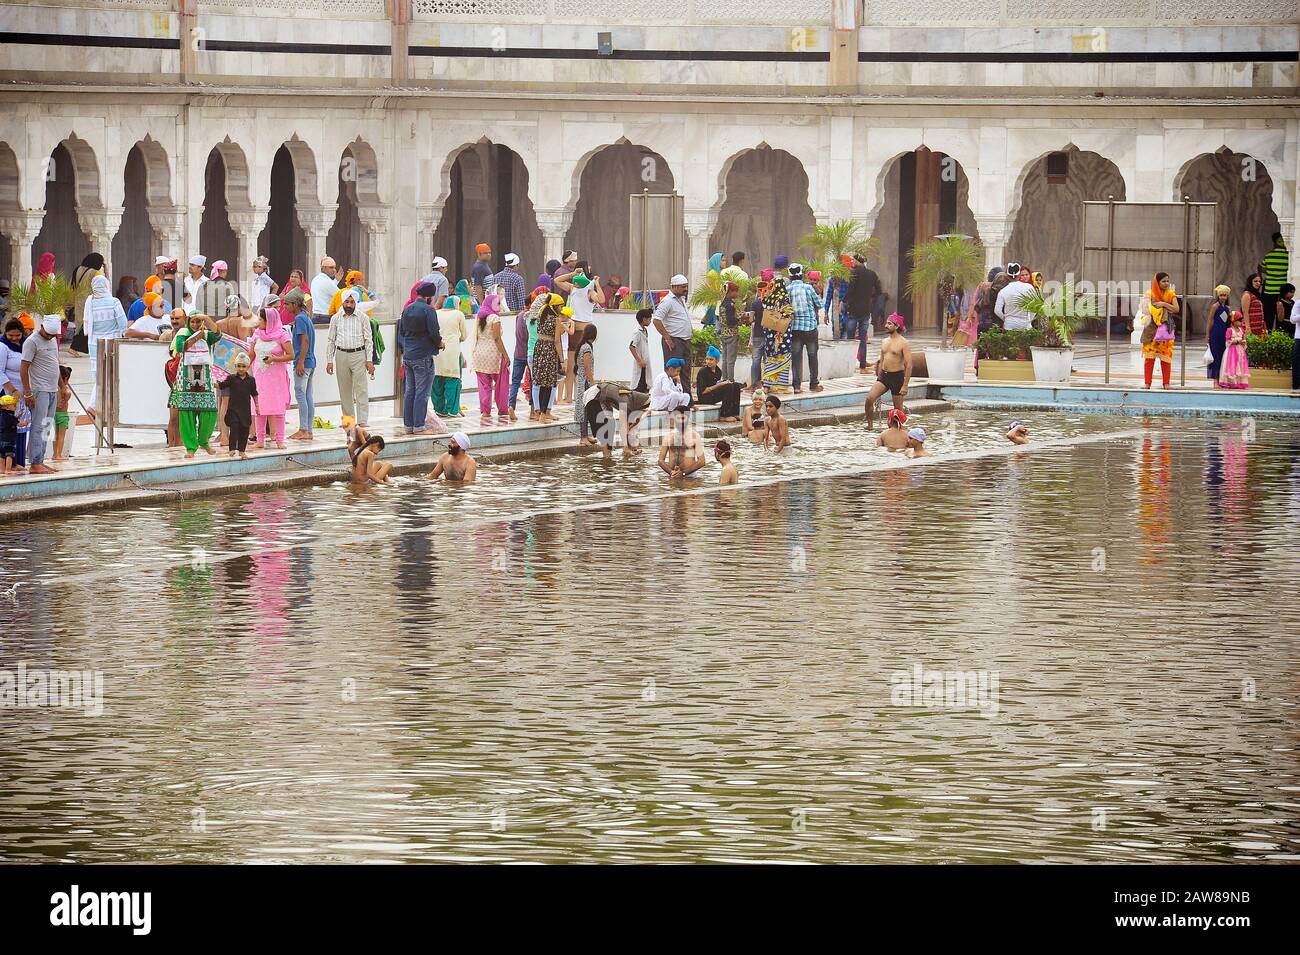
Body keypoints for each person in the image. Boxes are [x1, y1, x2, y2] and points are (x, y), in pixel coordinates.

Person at [169, 313, 220, 457]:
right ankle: (190, 447)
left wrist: (207, 318)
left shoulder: (207, 334)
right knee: (187, 413)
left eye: (199, 322)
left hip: (205, 378)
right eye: (193, 322)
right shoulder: (183, 333)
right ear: (188, 322)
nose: (195, 325)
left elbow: (218, 334)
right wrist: (197, 336)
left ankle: (204, 442)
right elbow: (180, 347)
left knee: (208, 412)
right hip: (186, 379)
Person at [399, 281, 444, 435]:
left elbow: (403, 331)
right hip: (423, 356)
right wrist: (440, 343)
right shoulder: (429, 310)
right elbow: (434, 332)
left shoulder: (407, 309)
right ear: (429, 297)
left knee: (410, 391)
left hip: (408, 356)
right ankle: (419, 426)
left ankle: (408, 426)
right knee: (422, 392)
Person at [19, 314, 61, 473]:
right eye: (48, 333)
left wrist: (62, 387)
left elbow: (56, 365)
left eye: (52, 334)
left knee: (47, 426)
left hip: (52, 390)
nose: (49, 336)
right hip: (39, 390)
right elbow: (24, 367)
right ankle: (35, 463)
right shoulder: (32, 342)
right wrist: (28, 393)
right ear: (42, 326)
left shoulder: (51, 340)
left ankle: (40, 461)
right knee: (38, 426)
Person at [326, 289, 374, 426]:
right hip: (341, 355)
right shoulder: (335, 318)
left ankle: (363, 421)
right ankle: (348, 421)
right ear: (342, 302)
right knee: (344, 389)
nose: (349, 305)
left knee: (361, 389)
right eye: (347, 302)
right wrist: (329, 360)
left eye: (352, 302)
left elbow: (368, 340)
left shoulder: (363, 317)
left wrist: (369, 360)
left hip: (359, 355)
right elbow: (331, 340)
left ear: (356, 303)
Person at [250, 306, 294, 449]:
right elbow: (251, 355)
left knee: (278, 408)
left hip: (276, 378)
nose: (259, 321)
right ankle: (260, 440)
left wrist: (274, 359)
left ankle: (279, 440)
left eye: (261, 319)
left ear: (269, 320)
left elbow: (291, 355)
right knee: (259, 408)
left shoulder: (282, 335)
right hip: (259, 377)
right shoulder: (256, 334)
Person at [83, 274, 128, 413]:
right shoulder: (114, 302)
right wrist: (124, 336)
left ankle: (101, 405)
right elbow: (122, 323)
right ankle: (95, 405)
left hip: (94, 343)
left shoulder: (90, 302)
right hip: (111, 343)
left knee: (99, 375)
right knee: (111, 374)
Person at [278, 289, 316, 441]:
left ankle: (303, 429)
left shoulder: (300, 318)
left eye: (287, 304)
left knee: (301, 395)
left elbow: (304, 341)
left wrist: (299, 362)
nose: (285, 307)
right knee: (307, 396)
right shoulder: (306, 317)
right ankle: (309, 430)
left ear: (295, 304)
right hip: (310, 361)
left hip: (304, 362)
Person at [863, 313, 911, 427]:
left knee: (898, 410)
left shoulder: (904, 343)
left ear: (897, 326)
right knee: (869, 399)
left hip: (897, 377)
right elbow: (882, 360)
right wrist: (878, 375)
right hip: (884, 376)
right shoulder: (884, 341)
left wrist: (905, 385)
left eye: (889, 323)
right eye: (887, 323)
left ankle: (899, 431)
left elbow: (909, 365)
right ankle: (870, 425)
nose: (886, 325)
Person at [785, 262, 825, 393]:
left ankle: (796, 386)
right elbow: (819, 304)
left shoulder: (788, 290)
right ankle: (814, 384)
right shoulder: (808, 289)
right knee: (812, 356)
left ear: (790, 277)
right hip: (810, 328)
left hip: (795, 329)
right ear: (802, 275)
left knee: (796, 357)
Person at [472, 291, 511, 423]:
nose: (499, 306)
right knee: (501, 382)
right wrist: (506, 355)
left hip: (479, 353)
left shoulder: (480, 317)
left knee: (484, 385)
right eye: (498, 304)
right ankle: (502, 409)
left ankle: (485, 411)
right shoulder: (495, 318)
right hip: (493, 354)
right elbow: (497, 338)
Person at [652, 274, 693, 397]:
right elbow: (656, 320)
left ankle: (686, 399)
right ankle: (671, 398)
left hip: (684, 341)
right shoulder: (667, 301)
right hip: (674, 341)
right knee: (673, 371)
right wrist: (667, 338)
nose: (685, 289)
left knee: (685, 371)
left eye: (686, 286)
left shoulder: (681, 299)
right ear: (674, 286)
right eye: (682, 287)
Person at [530, 294, 567, 422]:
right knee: (548, 384)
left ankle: (542, 413)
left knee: (541, 383)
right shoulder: (555, 320)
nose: (562, 308)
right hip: (550, 351)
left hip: (539, 349)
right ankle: (543, 415)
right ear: (555, 306)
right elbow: (557, 341)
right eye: (560, 306)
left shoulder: (541, 315)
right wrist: (562, 361)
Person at [759, 261, 794, 393]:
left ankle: (767, 386)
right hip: (782, 335)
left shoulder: (768, 298)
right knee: (783, 358)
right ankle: (781, 387)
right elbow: (789, 314)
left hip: (769, 335)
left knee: (769, 359)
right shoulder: (784, 298)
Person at [1141, 272, 1179, 389]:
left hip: (1165, 330)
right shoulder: (1150, 293)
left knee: (1166, 358)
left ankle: (1166, 384)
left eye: (1168, 281)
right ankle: (1147, 383)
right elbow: (1145, 308)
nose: (1166, 283)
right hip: (1151, 329)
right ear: (1157, 283)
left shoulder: (1170, 294)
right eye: (1163, 281)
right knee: (1149, 358)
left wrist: (1162, 304)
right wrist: (1163, 308)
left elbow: (1176, 309)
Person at [218, 352, 259, 458]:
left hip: (245, 410)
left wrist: (257, 406)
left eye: (243, 366)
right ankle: (232, 449)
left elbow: (254, 394)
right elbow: (222, 385)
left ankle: (242, 450)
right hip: (233, 410)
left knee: (244, 430)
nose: (241, 369)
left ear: (248, 367)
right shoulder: (231, 378)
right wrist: (212, 383)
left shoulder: (251, 380)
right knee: (234, 427)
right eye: (239, 366)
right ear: (235, 366)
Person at [432, 292, 467, 418]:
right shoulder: (458, 314)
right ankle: (453, 410)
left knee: (437, 379)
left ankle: (439, 409)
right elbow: (464, 335)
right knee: (453, 380)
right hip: (452, 351)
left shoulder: (436, 313)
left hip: (437, 350)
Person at [694, 345, 743, 421]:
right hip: (704, 397)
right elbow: (704, 391)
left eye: (711, 360)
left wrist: (723, 384)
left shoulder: (718, 371)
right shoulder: (703, 372)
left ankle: (735, 413)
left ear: (717, 361)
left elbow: (717, 386)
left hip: (713, 395)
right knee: (728, 387)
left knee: (735, 385)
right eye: (707, 359)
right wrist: (721, 385)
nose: (708, 362)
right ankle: (724, 415)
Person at [70, 253, 105, 350]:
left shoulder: (77, 269)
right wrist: (105, 270)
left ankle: (76, 347)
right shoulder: (95, 272)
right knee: (88, 324)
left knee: (79, 324)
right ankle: (76, 347)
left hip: (78, 301)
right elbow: (101, 286)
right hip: (90, 301)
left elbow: (72, 285)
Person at [658, 410, 706, 478]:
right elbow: (660, 460)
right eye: (678, 418)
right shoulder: (668, 436)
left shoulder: (695, 436)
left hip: (689, 476)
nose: (681, 421)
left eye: (683, 418)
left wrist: (683, 473)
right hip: (671, 475)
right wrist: (671, 472)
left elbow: (702, 461)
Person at [573, 322, 598, 444]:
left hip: (582, 380)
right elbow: (587, 367)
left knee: (587, 409)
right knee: (584, 409)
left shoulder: (583, 345)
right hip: (585, 383)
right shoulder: (587, 348)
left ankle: (585, 436)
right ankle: (583, 438)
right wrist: (592, 382)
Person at [747, 268, 771, 388]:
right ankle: (766, 383)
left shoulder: (755, 303)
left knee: (756, 360)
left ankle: (755, 383)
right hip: (768, 335)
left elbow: (751, 319)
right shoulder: (771, 302)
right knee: (767, 361)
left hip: (757, 335)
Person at [1259, 232, 1288, 331]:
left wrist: (1271, 271)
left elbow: (1262, 268)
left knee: (1268, 317)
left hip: (1269, 291)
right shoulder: (1288, 256)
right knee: (1282, 318)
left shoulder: (1268, 255)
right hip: (1282, 292)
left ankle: (1268, 338)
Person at [994, 263, 1033, 330]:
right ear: (1019, 275)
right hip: (1026, 326)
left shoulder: (1003, 291)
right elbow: (1035, 307)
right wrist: (1029, 319)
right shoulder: (1029, 287)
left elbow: (997, 310)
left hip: (1009, 326)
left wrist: (1007, 319)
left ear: (1007, 276)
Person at [1206, 284, 1231, 385]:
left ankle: (1221, 379)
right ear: (1218, 296)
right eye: (1221, 295)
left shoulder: (1228, 308)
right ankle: (1215, 380)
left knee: (1223, 355)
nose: (1223, 297)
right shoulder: (1215, 306)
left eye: (1225, 295)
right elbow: (1210, 320)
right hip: (1216, 332)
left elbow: (1229, 321)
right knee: (1215, 355)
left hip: (1224, 333)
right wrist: (1207, 334)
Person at [717, 279, 742, 381]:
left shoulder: (722, 304)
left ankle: (725, 379)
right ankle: (730, 381)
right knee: (731, 360)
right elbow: (731, 321)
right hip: (731, 334)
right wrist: (739, 318)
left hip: (724, 334)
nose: (737, 293)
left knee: (725, 359)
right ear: (731, 292)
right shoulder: (730, 305)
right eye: (736, 291)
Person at [1220, 310, 1250, 389]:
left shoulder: (1241, 330)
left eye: (1241, 320)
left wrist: (1244, 342)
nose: (1241, 322)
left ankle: (1239, 381)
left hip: (1240, 351)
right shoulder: (1230, 330)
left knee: (1240, 365)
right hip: (1232, 352)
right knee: (1232, 365)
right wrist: (1236, 341)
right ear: (1234, 321)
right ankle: (1231, 381)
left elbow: (1243, 339)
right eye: (1239, 320)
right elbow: (1227, 342)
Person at [629, 307, 652, 391]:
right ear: (644, 319)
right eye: (649, 319)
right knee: (639, 385)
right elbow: (631, 346)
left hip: (645, 363)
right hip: (641, 364)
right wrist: (639, 361)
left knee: (645, 384)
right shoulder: (637, 332)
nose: (650, 321)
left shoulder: (644, 331)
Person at [53, 365, 72, 461]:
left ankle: (54, 454)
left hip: (54, 414)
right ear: (65, 378)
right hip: (63, 415)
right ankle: (58, 455)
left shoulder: (54, 389)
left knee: (55, 436)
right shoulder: (66, 391)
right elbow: (67, 397)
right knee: (61, 436)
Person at [1241, 272, 1266, 338]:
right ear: (1250, 282)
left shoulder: (1256, 295)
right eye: (1255, 281)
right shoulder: (1247, 294)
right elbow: (1245, 312)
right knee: (1249, 347)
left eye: (1259, 281)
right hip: (1251, 328)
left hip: (1259, 328)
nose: (1258, 283)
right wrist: (1247, 327)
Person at [0, 392, 17, 477]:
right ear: (7, 407)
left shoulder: (1, 415)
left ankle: (1, 469)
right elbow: (17, 424)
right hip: (9, 439)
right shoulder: (11, 416)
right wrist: (26, 423)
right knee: (9, 454)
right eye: (14, 405)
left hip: (1, 438)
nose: (15, 407)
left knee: (2, 454)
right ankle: (8, 470)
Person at [1287, 285, 1300, 391]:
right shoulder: (1298, 303)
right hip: (1299, 337)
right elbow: (1292, 319)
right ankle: (1296, 384)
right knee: (1296, 361)